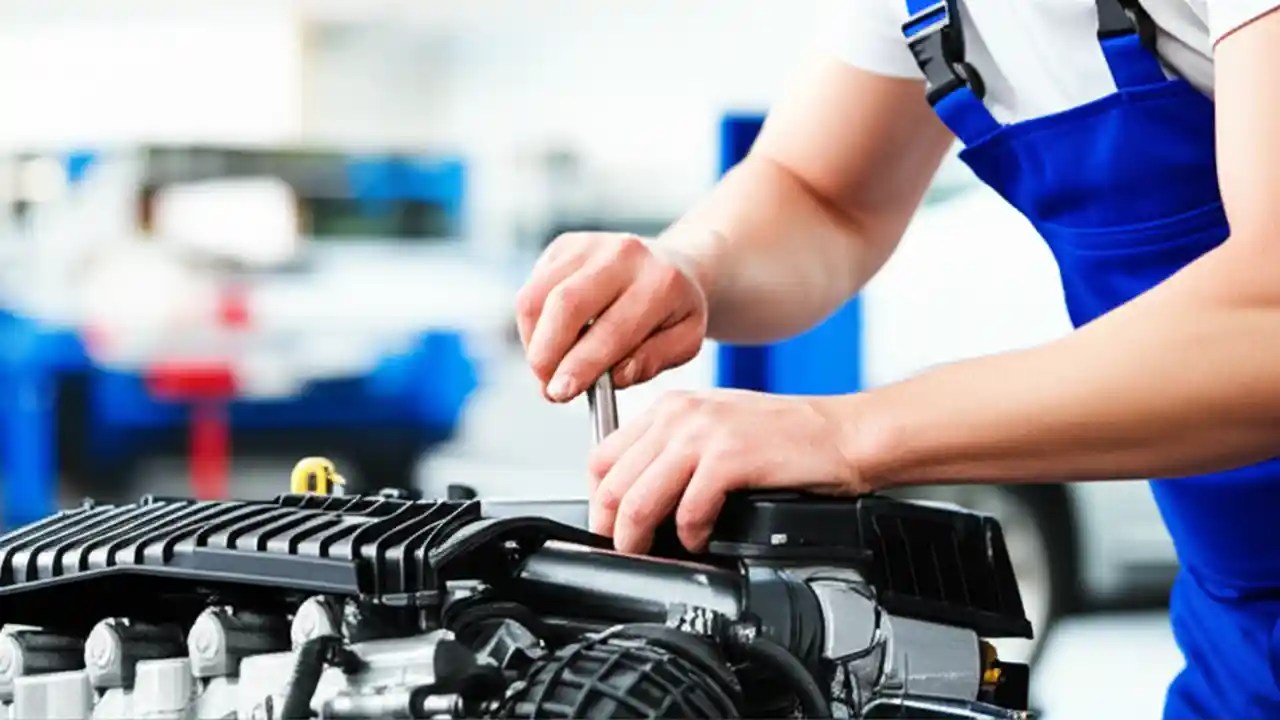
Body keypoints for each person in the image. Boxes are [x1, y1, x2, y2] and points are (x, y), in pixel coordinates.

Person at [515, 1, 1280, 716]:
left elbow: (1268, 319)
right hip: (1239, 629)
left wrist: (844, 434)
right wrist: (689, 264)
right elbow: (822, 194)